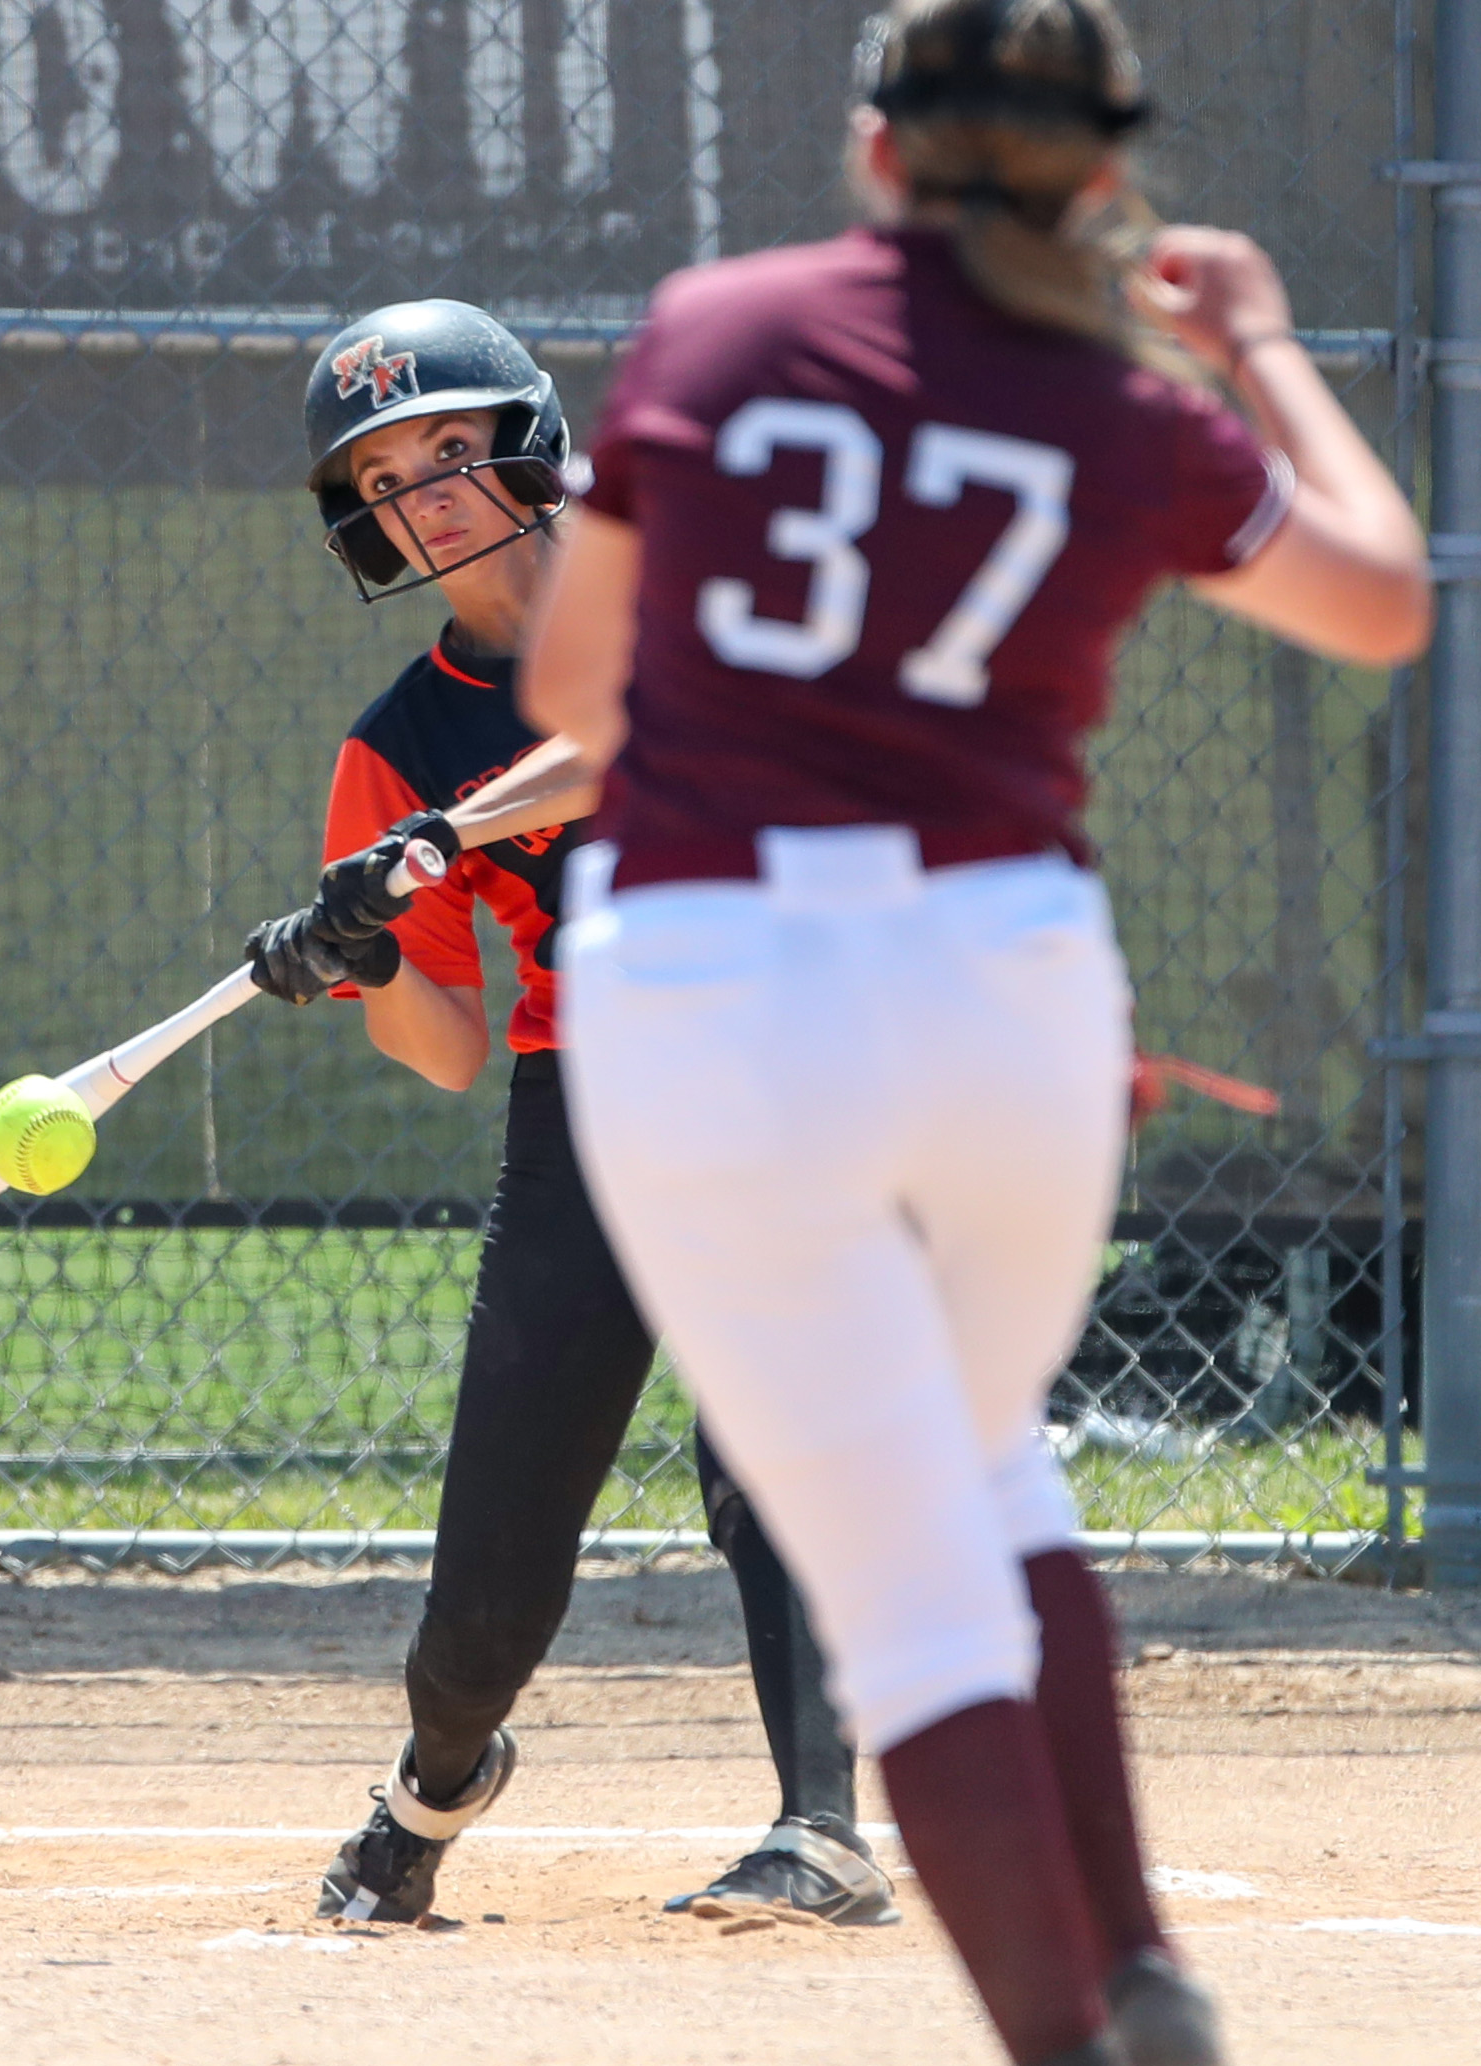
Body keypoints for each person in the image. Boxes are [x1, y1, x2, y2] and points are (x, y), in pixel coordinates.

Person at [519, 4, 1428, 2061]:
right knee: (988, 1475)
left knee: (904, 1579)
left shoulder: (715, 331)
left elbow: (576, 686)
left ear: (875, 148)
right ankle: (1135, 1966)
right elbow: (1380, 599)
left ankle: (1073, 2033)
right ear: (1104, 175)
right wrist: (1255, 344)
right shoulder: (1126, 406)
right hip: (1001, 981)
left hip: (718, 977)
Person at [244, 299, 895, 1928]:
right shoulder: (396, 747)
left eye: (450, 449)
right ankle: (430, 1790)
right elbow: (446, 1048)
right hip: (588, 1105)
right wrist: (368, 951)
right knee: (489, 1573)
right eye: (384, 478)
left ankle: (822, 1830)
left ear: (530, 440)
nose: (425, 495)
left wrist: (444, 839)